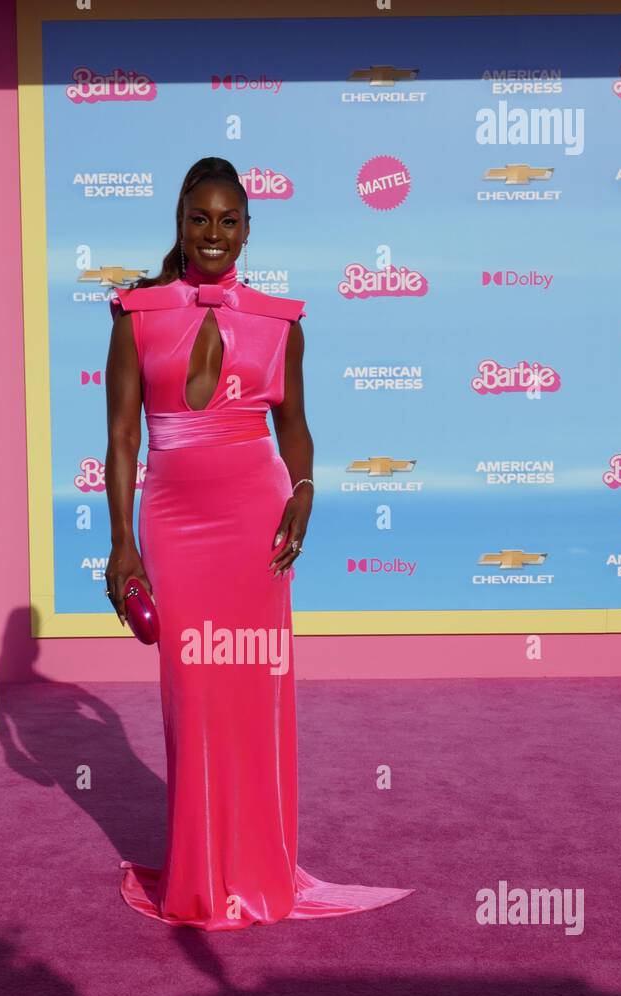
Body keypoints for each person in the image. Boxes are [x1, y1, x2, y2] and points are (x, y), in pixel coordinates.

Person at [105, 156, 413, 931]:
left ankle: (255, 873)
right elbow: (119, 441)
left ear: (248, 227)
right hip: (173, 526)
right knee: (193, 696)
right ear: (180, 224)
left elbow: (296, 431)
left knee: (252, 695)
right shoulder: (135, 314)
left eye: (228, 220)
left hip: (256, 526)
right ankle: (201, 877)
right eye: (200, 219)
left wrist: (304, 493)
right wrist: (121, 544)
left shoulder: (281, 321)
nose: (214, 234)